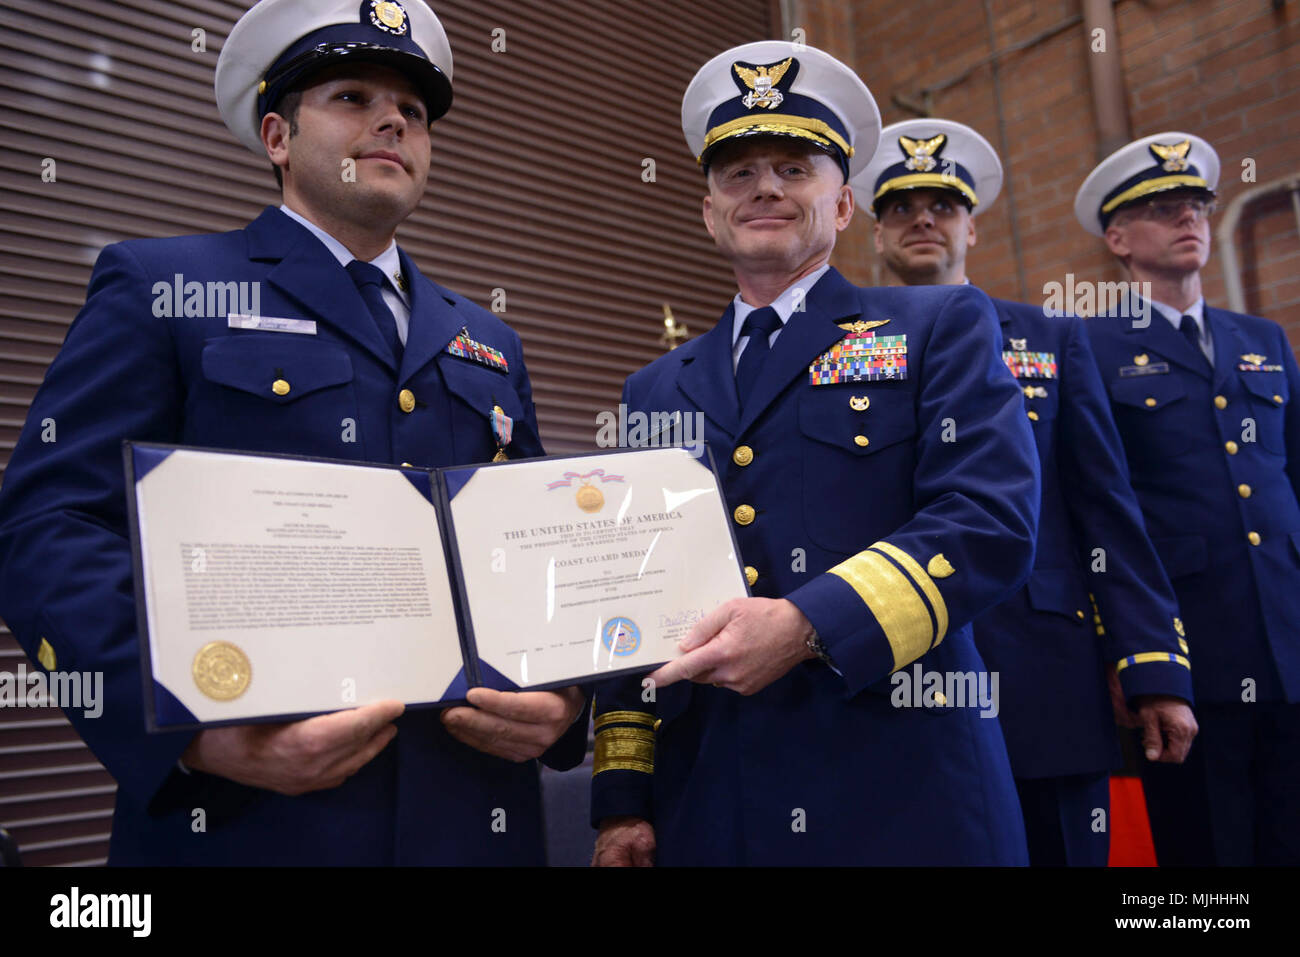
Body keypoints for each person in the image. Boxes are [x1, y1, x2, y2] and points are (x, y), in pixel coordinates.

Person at [0, 0, 587, 865]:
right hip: (253, 821)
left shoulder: (487, 339)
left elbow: (532, 548)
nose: (393, 120)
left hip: (473, 815)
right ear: (277, 135)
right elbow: (50, 530)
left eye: (414, 112)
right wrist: (194, 737)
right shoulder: (164, 286)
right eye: (352, 96)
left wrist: (567, 696)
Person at [588, 42, 1041, 866]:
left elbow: (989, 522)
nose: (764, 186)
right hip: (713, 797)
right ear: (708, 211)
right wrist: (622, 798)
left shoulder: (939, 326)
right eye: (738, 173)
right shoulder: (654, 387)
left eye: (794, 168)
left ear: (840, 208)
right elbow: (632, 587)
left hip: (900, 787)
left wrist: (806, 625)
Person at [857, 119, 1196, 866]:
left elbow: (1106, 506)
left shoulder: (1050, 338)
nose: (923, 219)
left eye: (942, 206)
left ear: (972, 228)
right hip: (895, 674)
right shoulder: (842, 348)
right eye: (902, 207)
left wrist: (1151, 664)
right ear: (874, 231)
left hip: (1044, 671)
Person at [1074, 132, 1300, 865]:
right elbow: (1095, 505)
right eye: (1165, 208)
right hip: (1189, 646)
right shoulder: (1090, 345)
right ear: (1118, 237)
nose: (1190, 220)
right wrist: (1127, 654)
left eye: (1198, 205)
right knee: (1207, 861)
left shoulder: (1260, 338)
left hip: (1290, 635)